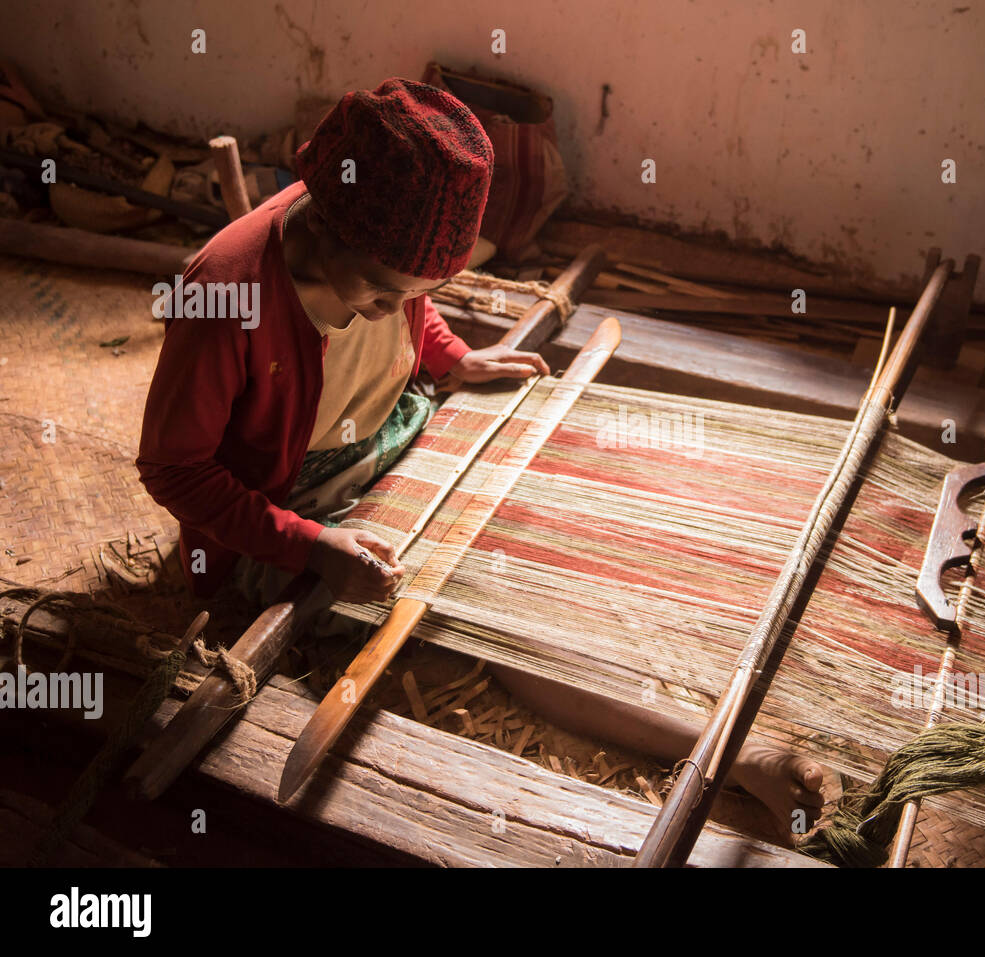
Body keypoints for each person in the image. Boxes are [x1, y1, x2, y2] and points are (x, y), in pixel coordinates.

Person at [137, 78, 823, 836]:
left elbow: (412, 306)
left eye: (412, 293)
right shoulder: (224, 291)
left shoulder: (378, 237)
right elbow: (174, 469)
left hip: (390, 435)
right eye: (377, 291)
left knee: (535, 491)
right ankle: (732, 751)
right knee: (491, 613)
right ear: (324, 223)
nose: (388, 310)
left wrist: (453, 358)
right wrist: (312, 544)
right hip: (291, 511)